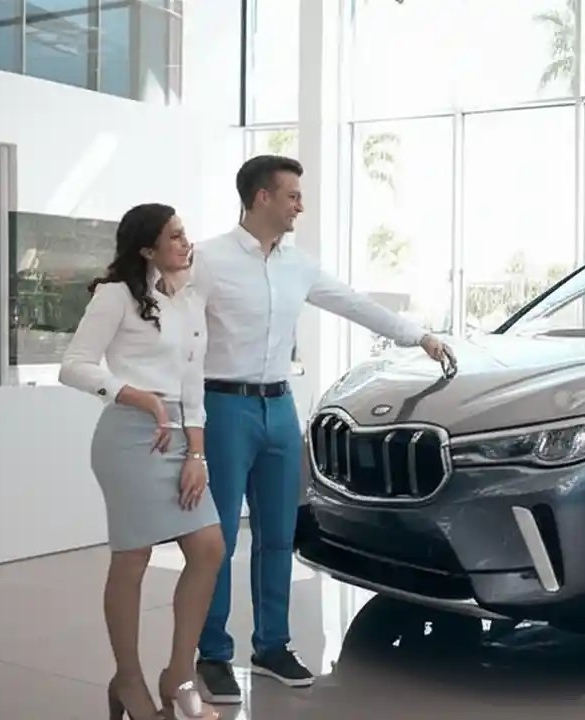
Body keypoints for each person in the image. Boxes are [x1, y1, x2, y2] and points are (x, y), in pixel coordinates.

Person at [192, 155, 456, 703]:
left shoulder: (299, 265)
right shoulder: (209, 260)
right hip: (223, 406)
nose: (300, 206)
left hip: (281, 408)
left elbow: (354, 303)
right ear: (262, 197)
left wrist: (419, 337)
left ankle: (271, 646)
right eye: (292, 196)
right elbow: (177, 335)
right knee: (216, 537)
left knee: (278, 534)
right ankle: (212, 654)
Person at [59, 203, 225, 719]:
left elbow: (193, 390)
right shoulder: (116, 295)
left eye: (184, 233)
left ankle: (178, 675)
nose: (186, 242)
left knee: (208, 547)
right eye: (174, 236)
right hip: (130, 439)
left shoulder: (190, 300)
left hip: (179, 434)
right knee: (132, 559)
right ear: (147, 249)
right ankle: (128, 681)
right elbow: (74, 366)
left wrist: (196, 452)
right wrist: (138, 396)